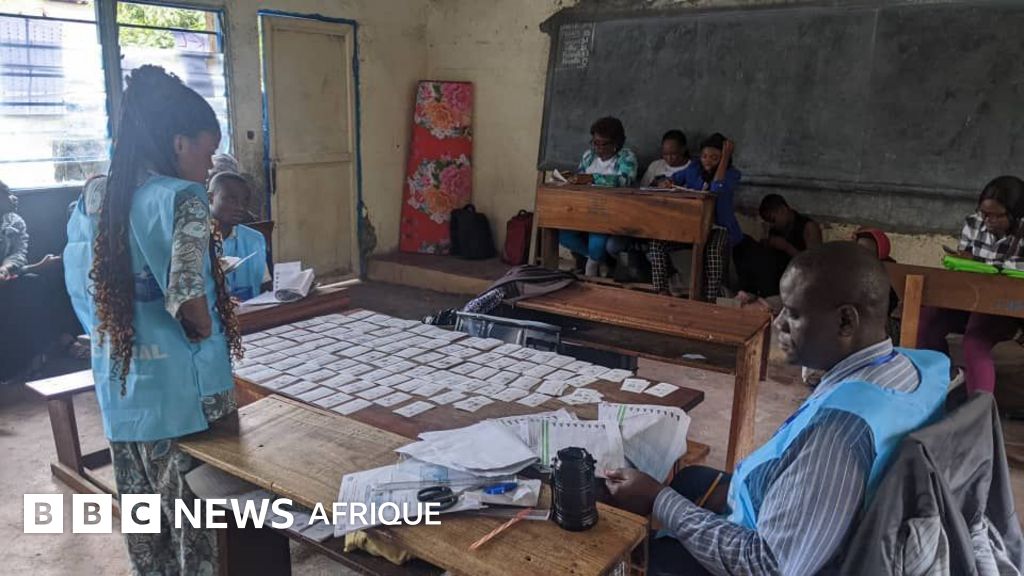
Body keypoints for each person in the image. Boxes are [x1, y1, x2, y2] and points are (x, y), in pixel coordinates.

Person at [604, 242, 949, 575]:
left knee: (627, 551)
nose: (778, 321)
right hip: (811, 516)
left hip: (775, 557)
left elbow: (767, 565)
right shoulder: (921, 366)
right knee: (691, 479)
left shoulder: (837, 436)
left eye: (794, 314)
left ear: (846, 322)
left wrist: (658, 499)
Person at [64, 65, 242, 574]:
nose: (210, 167)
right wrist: (205, 328)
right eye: (207, 152)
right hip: (186, 396)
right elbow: (189, 300)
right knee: (198, 535)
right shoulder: (181, 199)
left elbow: (81, 286)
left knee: (146, 531)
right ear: (177, 140)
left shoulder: (96, 194)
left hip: (122, 390)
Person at [917, 175, 1024, 395]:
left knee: (975, 340)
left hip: (1005, 307)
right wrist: (963, 262)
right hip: (969, 297)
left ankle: (980, 411)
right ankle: (942, 384)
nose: (988, 220)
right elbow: (964, 262)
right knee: (926, 320)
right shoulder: (974, 223)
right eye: (985, 213)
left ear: (1015, 214)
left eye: (997, 216)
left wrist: (986, 265)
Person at [668, 133, 742, 300]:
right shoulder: (694, 168)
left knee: (714, 251)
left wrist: (724, 160)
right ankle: (667, 289)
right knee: (660, 242)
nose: (707, 161)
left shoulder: (732, 174)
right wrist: (667, 182)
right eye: (704, 156)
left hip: (719, 226)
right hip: (693, 223)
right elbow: (674, 179)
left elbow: (716, 189)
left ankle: (711, 297)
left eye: (714, 158)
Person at [559, 116, 636, 277]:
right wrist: (572, 179)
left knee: (597, 241)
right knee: (564, 234)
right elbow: (581, 177)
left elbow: (625, 180)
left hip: (610, 214)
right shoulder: (589, 156)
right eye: (595, 143)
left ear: (617, 142)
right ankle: (598, 260)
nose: (598, 148)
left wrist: (593, 178)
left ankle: (592, 266)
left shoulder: (626, 157)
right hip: (584, 209)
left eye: (604, 144)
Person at [736, 194, 822, 300]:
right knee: (745, 244)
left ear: (783, 210)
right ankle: (747, 292)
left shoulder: (808, 227)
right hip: (777, 276)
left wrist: (787, 247)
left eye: (772, 220)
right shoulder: (776, 229)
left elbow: (813, 265)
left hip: (798, 278)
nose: (771, 225)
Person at [642, 130, 693, 294]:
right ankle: (661, 288)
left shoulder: (693, 168)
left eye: (674, 154)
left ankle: (673, 282)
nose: (669, 158)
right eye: (665, 154)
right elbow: (641, 191)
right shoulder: (656, 166)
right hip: (654, 217)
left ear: (684, 149)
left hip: (681, 221)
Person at [208, 171, 269, 300]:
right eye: (231, 199)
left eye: (245, 201)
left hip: (251, 315)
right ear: (210, 198)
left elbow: (265, 286)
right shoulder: (193, 240)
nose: (241, 207)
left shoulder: (254, 239)